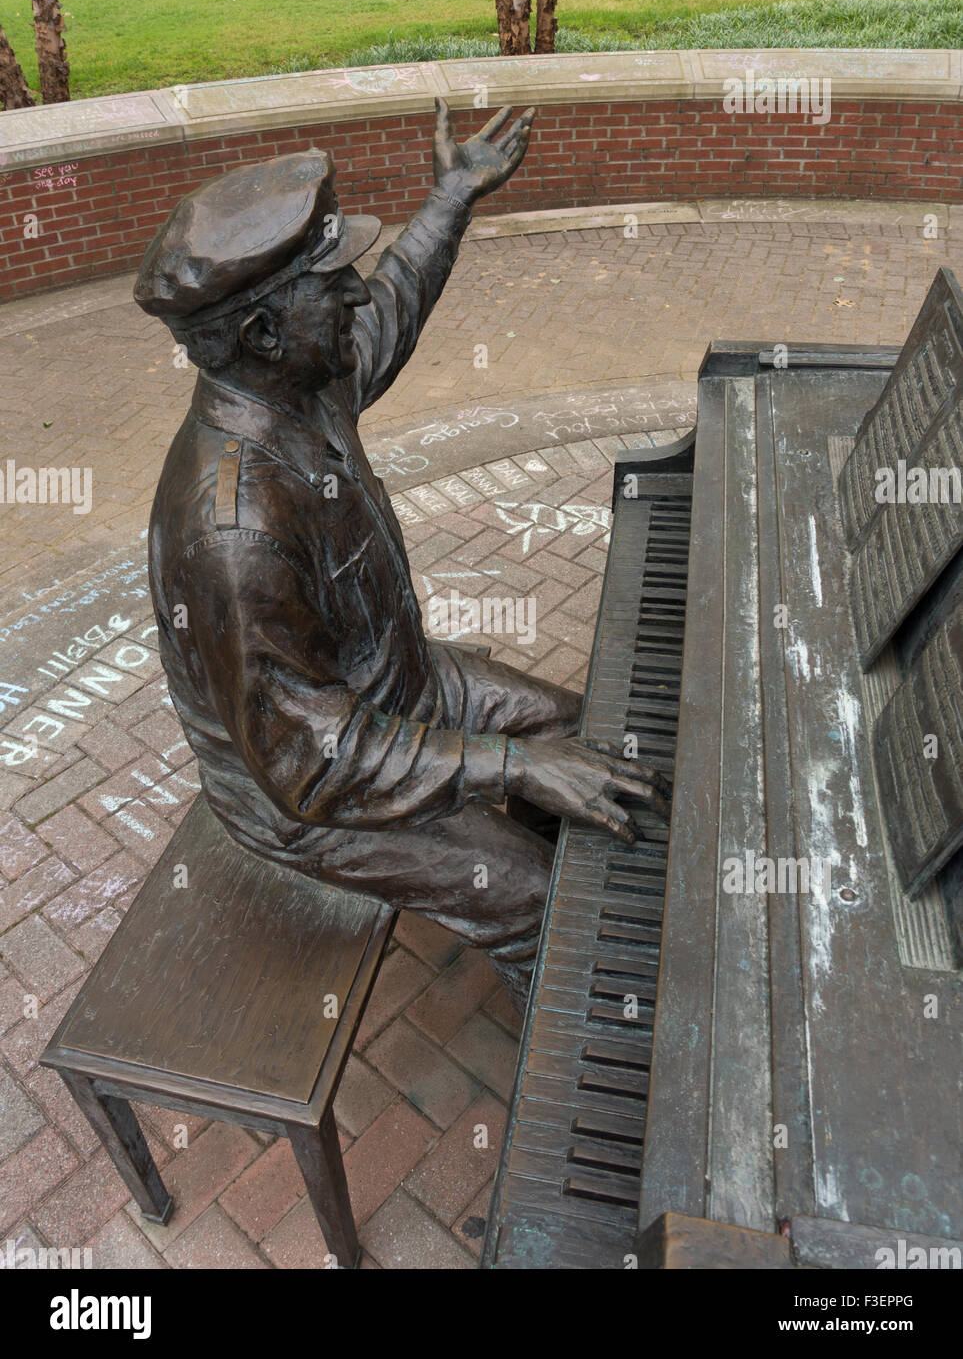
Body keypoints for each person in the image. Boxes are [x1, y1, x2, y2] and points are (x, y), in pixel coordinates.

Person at [135, 99, 671, 1010]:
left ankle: (569, 861)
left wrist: (453, 196)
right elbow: (311, 760)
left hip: (402, 690)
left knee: (599, 738)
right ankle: (570, 1038)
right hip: (310, 795)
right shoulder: (231, 534)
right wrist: (511, 768)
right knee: (539, 902)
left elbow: (389, 310)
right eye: (330, 280)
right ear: (264, 335)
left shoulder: (300, 386)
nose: (353, 291)